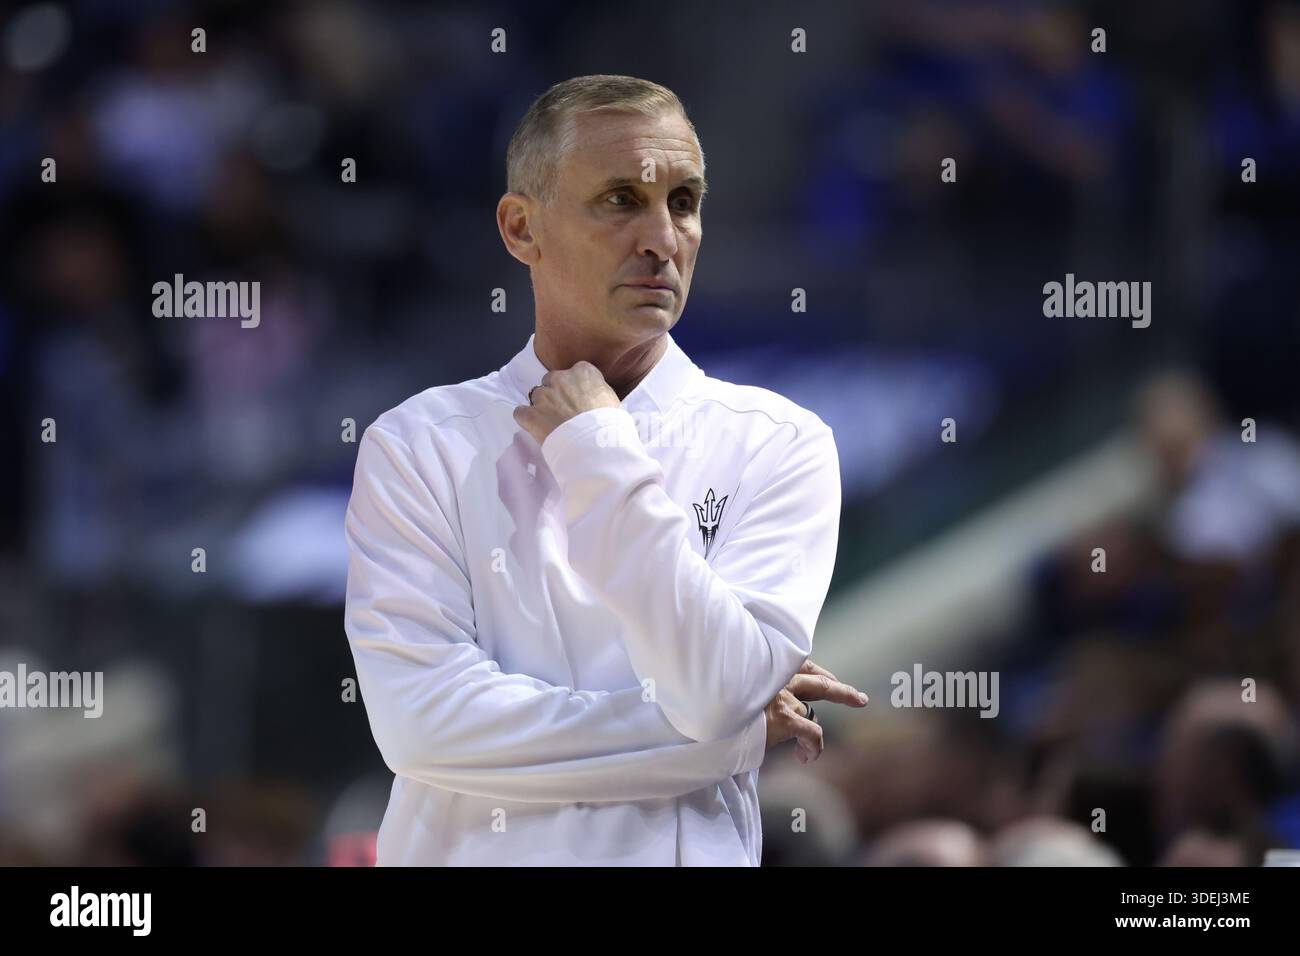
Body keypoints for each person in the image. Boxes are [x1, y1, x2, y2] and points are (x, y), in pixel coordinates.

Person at [343, 74, 866, 866]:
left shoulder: (780, 442)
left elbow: (719, 690)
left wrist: (596, 449)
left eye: (684, 202)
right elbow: (420, 727)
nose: (663, 238)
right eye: (622, 199)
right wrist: (722, 740)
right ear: (522, 228)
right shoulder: (416, 443)